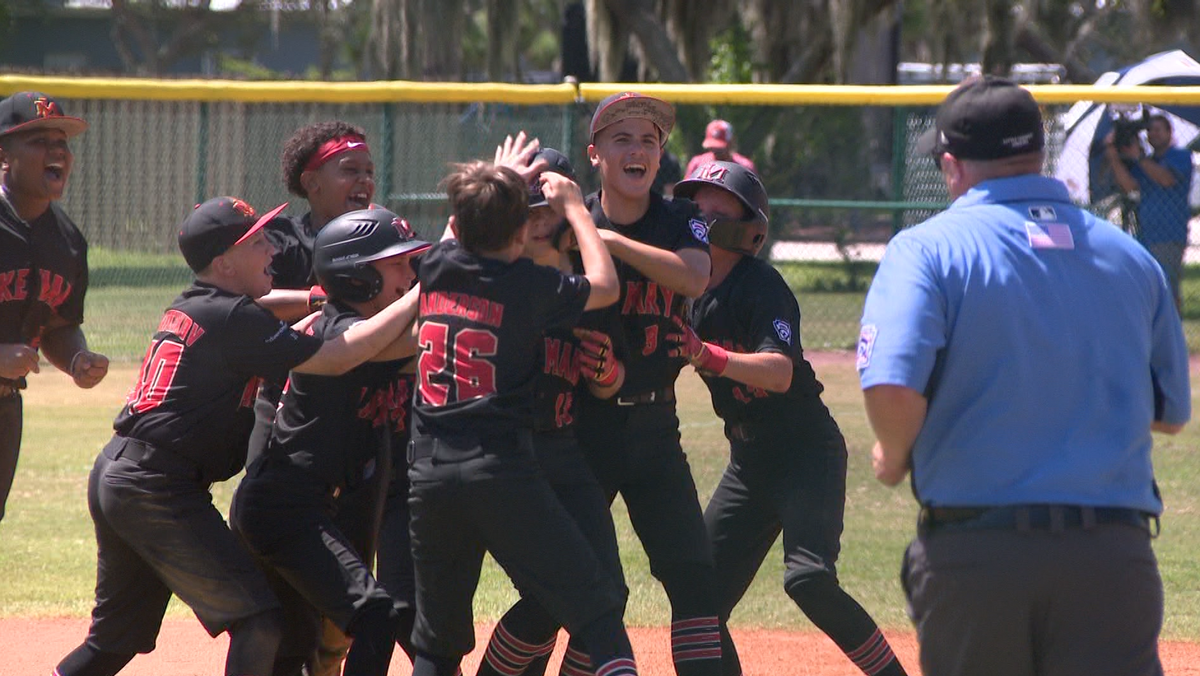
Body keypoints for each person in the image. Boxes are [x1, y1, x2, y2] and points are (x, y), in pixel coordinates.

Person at [859, 76, 1191, 676]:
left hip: (980, 551)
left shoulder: (927, 250)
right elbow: (1170, 413)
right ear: (1037, 153)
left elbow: (890, 383)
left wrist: (893, 453)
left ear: (952, 165)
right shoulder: (1130, 256)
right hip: (1112, 557)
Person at [55, 196, 426, 676]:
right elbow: (337, 354)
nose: (272, 248)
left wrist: (318, 300)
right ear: (225, 263)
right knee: (258, 619)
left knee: (113, 643)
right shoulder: (235, 319)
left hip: (121, 473)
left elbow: (264, 306)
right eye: (256, 242)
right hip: (157, 484)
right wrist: (421, 295)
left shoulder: (204, 304)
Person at [670, 160, 908, 676]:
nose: (700, 217)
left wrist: (704, 354)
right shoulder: (684, 286)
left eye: (716, 210)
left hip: (805, 452)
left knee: (808, 579)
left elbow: (778, 371)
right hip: (749, 463)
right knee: (698, 604)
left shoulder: (761, 286)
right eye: (695, 207)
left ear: (747, 227)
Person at [407, 160, 637, 676]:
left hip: (428, 474)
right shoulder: (526, 285)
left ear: (460, 226)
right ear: (519, 232)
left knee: (438, 645)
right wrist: (577, 209)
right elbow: (604, 283)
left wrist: (495, 177)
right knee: (598, 607)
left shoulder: (435, 266)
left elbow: (453, 233)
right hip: (499, 468)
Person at [231, 207, 429, 676]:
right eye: (397, 264)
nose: (410, 272)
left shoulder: (372, 329)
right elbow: (410, 341)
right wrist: (441, 287)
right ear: (358, 274)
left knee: (296, 645)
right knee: (375, 618)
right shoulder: (338, 331)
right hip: (285, 508)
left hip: (313, 508)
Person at [573, 92, 722, 676]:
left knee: (692, 575)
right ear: (595, 153)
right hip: (581, 428)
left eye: (649, 140)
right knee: (574, 583)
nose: (638, 150)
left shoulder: (678, 218)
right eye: (622, 138)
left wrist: (606, 242)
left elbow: (693, 277)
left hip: (657, 426)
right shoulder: (573, 218)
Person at [475, 148, 628, 676]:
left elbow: (610, 384)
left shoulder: (587, 280)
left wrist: (606, 372)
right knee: (549, 597)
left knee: (609, 592)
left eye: (547, 208)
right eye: (527, 207)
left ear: (567, 212)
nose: (538, 219)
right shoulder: (493, 280)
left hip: (565, 452)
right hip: (508, 458)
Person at [246, 120, 387, 676]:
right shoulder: (283, 241)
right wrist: (316, 295)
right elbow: (247, 302)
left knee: (352, 554)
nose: (364, 181)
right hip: (284, 408)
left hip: (361, 416)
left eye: (370, 171)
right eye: (349, 169)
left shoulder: (381, 239)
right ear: (311, 181)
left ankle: (327, 660)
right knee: (284, 549)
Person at [0, 91, 108, 523]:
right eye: (40, 140)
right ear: (3, 156)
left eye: (62, 142)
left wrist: (76, 358)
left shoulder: (67, 241)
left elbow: (58, 323)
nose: (57, 151)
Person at [1104, 113, 1194, 311]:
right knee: (1146, 289)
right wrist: (1113, 155)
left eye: (1158, 130)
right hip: (1145, 234)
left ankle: (1174, 335)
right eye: (1150, 130)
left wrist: (1138, 156)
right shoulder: (1146, 161)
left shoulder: (1180, 156)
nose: (1153, 134)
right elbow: (1129, 186)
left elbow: (1166, 179)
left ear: (1170, 133)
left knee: (1168, 288)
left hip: (1169, 234)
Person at [684, 120, 756, 179]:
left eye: (720, 147)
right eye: (713, 147)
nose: (716, 151)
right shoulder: (697, 164)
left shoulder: (745, 167)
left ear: (731, 143)